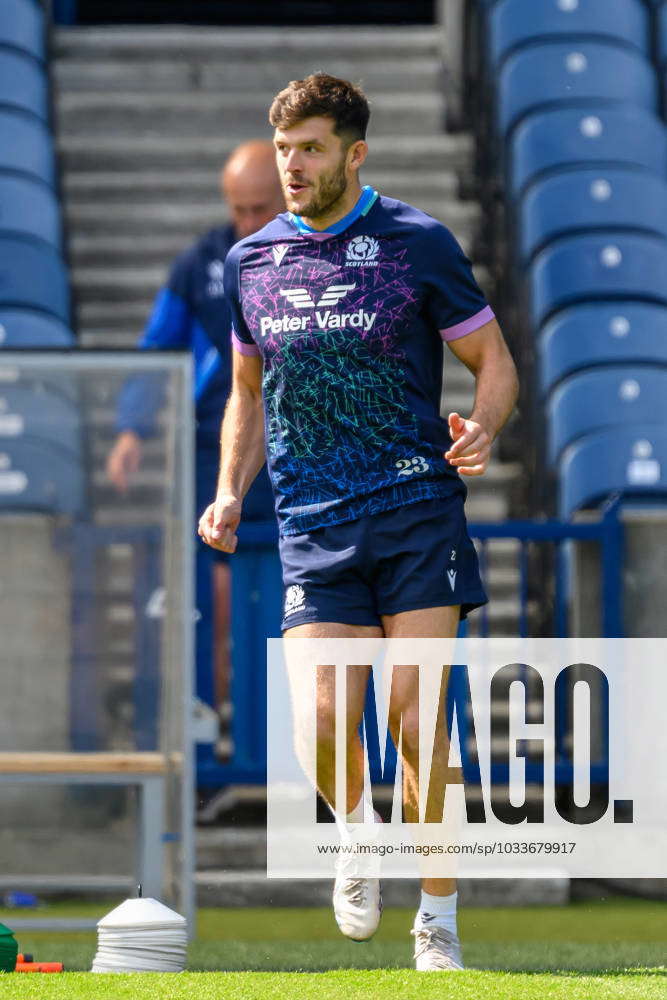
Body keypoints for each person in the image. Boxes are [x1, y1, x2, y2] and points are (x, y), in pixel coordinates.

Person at [198, 74, 519, 970]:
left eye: (308, 148)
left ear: (352, 153)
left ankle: (437, 922)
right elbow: (248, 392)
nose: (290, 165)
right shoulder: (249, 263)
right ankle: (355, 830)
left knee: (418, 724)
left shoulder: (416, 243)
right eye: (281, 147)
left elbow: (492, 361)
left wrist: (483, 428)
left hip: (416, 513)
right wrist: (230, 489)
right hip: (312, 523)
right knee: (330, 716)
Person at [106, 140, 283, 713]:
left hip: (297, 459)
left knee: (294, 610)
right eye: (240, 210)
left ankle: (283, 746)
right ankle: (223, 736)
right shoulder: (201, 264)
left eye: (261, 208)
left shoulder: (320, 258)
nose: (248, 222)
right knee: (219, 603)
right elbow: (159, 346)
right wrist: (132, 429)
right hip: (217, 458)